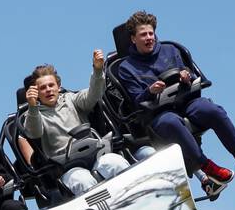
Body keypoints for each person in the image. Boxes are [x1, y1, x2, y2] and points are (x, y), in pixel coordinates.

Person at [116, 10, 235, 195]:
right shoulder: (126, 68)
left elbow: (194, 75)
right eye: (143, 35)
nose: (149, 38)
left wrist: (187, 77)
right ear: (133, 39)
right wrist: (150, 91)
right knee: (171, 121)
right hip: (158, 114)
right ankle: (208, 168)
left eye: (151, 33)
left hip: (186, 101)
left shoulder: (170, 50)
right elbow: (136, 100)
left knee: (212, 110)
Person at [21, 52, 156, 197]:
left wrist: (98, 70)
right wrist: (32, 106)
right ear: (37, 93)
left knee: (115, 163)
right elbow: (34, 133)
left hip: (96, 155)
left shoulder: (72, 99)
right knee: (83, 181)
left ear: (59, 86)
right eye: (42, 88)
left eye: (51, 85)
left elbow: (94, 95)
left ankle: (141, 197)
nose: (48, 89)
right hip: (69, 168)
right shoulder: (33, 114)